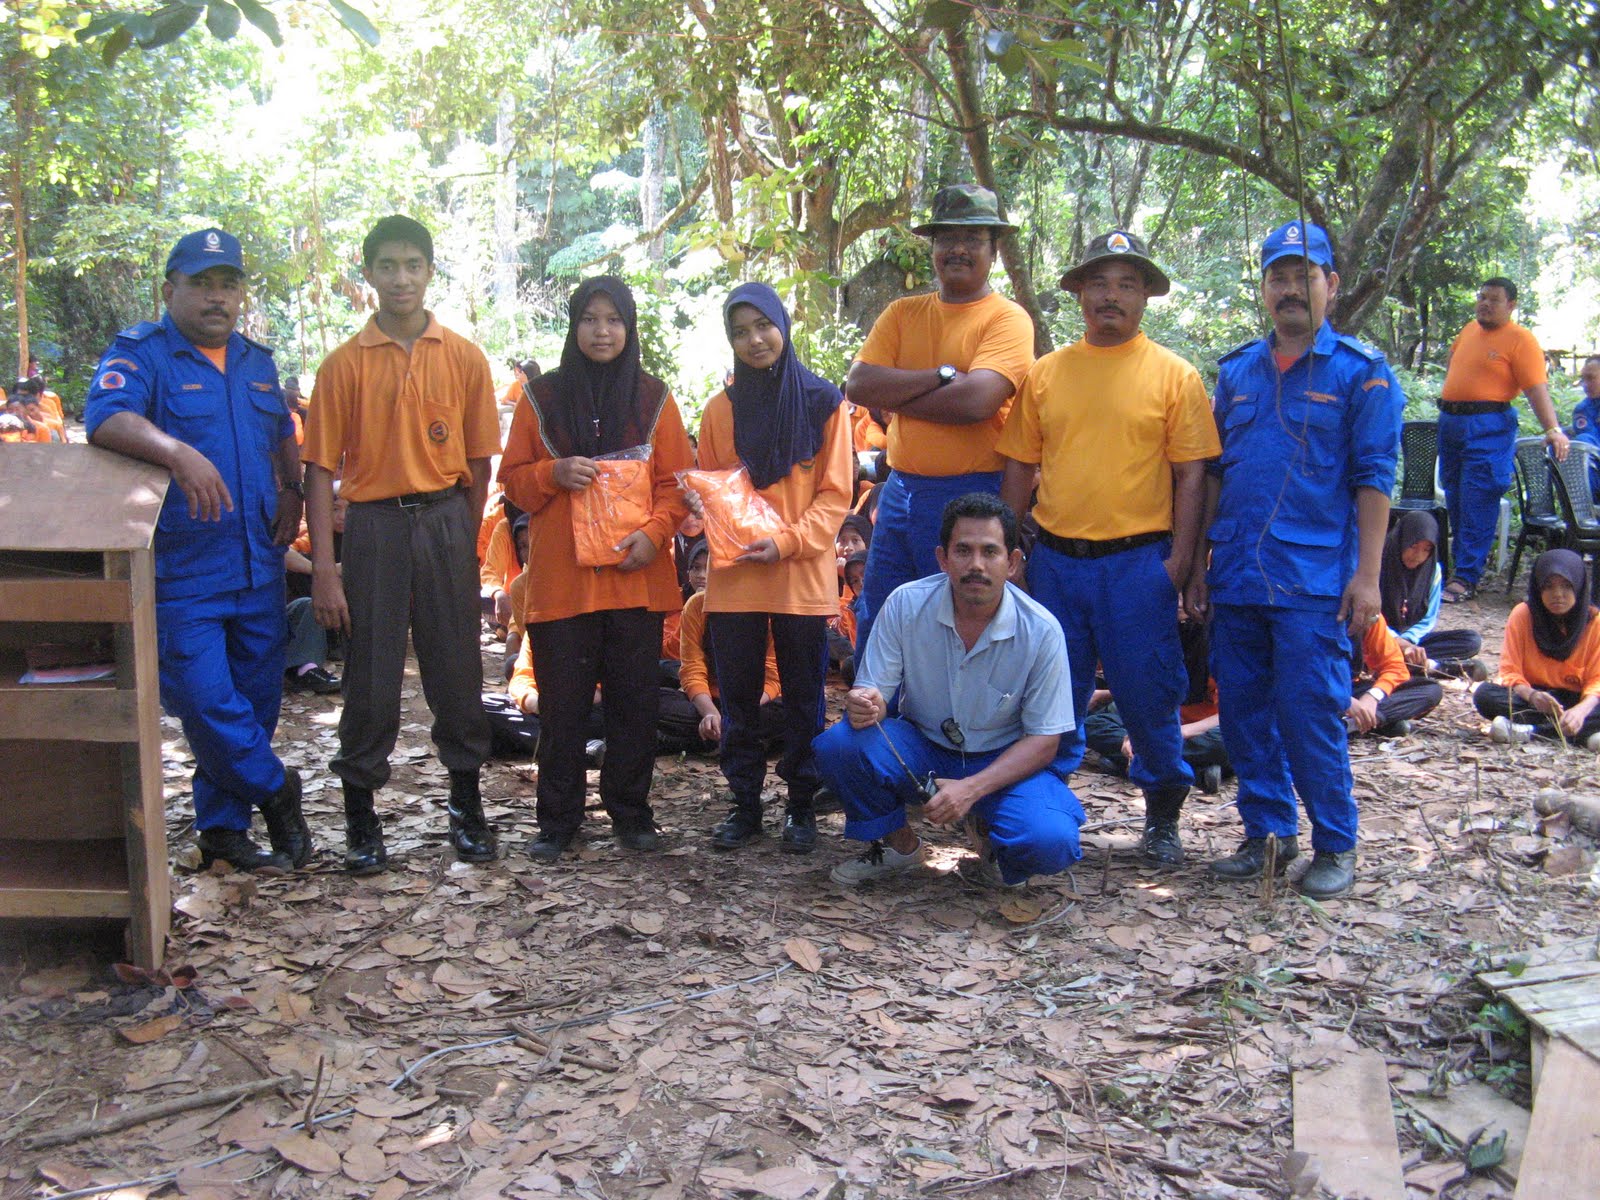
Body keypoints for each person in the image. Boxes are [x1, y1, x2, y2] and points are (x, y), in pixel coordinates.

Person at [84, 227, 309, 874]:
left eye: (228, 284)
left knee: (255, 702)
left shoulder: (256, 361)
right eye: (202, 284)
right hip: (186, 567)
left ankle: (223, 832)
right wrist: (179, 452)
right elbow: (107, 417)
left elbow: (279, 438)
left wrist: (292, 486)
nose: (217, 297)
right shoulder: (146, 353)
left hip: (258, 560)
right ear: (169, 289)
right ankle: (276, 789)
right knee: (206, 700)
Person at [1194, 220, 1404, 899]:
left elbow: (1374, 480)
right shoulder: (1237, 373)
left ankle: (1335, 843)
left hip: (1315, 582)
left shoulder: (1362, 376)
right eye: (1277, 277)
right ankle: (1268, 834)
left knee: (1310, 712)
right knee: (1247, 712)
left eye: (1303, 276)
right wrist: (1199, 560)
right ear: (1264, 288)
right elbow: (1217, 474)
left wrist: (1369, 577)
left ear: (1331, 286)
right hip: (1239, 576)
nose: (1289, 289)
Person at [998, 230, 1218, 866]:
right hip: (1057, 562)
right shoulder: (1047, 373)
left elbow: (1192, 475)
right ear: (1078, 294)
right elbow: (1018, 466)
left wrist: (1182, 561)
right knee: (1050, 693)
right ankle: (1044, 810)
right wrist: (1008, 548)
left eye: (1127, 284)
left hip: (1137, 563)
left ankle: (1163, 813)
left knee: (1148, 692)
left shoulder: (1175, 375)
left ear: (1146, 295)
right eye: (1099, 283)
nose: (1111, 296)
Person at [303, 215, 502, 874]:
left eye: (412, 265)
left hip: (445, 519)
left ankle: (464, 804)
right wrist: (325, 572)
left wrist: (464, 538)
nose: (400, 278)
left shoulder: (465, 356)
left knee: (458, 670)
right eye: (387, 266)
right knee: (371, 672)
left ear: (430, 271)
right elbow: (320, 471)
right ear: (369, 275)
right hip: (374, 525)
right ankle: (361, 813)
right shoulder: (342, 365)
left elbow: (479, 461)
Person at [498, 276, 693, 860]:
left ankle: (632, 815)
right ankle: (558, 822)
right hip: (563, 584)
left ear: (629, 328)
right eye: (589, 318)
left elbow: (676, 485)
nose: (601, 331)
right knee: (563, 705)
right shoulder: (542, 399)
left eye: (613, 320)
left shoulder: (654, 398)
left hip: (635, 578)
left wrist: (653, 535)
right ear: (573, 326)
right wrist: (551, 475)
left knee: (635, 705)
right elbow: (512, 482)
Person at [813, 493, 1083, 889]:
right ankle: (901, 847)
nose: (976, 565)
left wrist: (971, 789)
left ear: (1012, 563)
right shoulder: (906, 604)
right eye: (963, 551)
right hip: (923, 747)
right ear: (942, 558)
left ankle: (992, 840)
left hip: (1002, 760)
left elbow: (1045, 741)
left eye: (990, 552)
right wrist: (865, 703)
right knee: (838, 746)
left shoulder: (1041, 631)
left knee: (1050, 841)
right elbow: (875, 692)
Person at [693, 282, 853, 852]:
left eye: (763, 326)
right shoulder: (721, 409)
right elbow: (715, 488)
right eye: (740, 331)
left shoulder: (823, 402)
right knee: (737, 696)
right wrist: (703, 509)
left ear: (783, 326)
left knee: (804, 696)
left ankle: (802, 805)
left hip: (800, 580)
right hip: (735, 579)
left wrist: (786, 543)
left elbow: (836, 496)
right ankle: (743, 803)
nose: (754, 340)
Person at [844, 184, 1035, 654]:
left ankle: (948, 725)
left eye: (973, 238)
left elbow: (977, 403)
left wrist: (902, 391)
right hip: (900, 492)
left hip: (973, 493)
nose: (958, 249)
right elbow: (859, 386)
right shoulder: (903, 313)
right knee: (881, 611)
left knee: (955, 621)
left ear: (993, 249)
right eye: (946, 237)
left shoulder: (1007, 320)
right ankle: (878, 716)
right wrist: (942, 377)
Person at [1437, 277, 1569, 602]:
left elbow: (1537, 388)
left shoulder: (1520, 340)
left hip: (1489, 425)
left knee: (1478, 498)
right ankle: (1453, 569)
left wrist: (1552, 428)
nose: (1485, 304)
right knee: (1454, 496)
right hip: (1451, 422)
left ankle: (1466, 578)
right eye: (1482, 297)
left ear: (1511, 305)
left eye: (1494, 299)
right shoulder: (1469, 329)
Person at [1084, 619, 1229, 795]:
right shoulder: (1159, 643)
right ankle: (1197, 772)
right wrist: (1138, 729)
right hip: (1161, 723)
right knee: (1093, 725)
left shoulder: (1219, 656)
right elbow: (1146, 690)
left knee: (1226, 742)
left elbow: (1231, 714)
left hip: (1201, 732)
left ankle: (1133, 762)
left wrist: (1181, 732)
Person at [1473, 549, 1600, 748]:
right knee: (1485, 695)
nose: (1558, 595)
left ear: (1580, 586)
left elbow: (1597, 682)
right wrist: (1532, 696)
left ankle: (1533, 732)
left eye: (1566, 586)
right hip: (1535, 697)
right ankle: (1581, 734)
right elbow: (1510, 672)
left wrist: (1581, 711)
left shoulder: (1594, 622)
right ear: (1538, 588)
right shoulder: (1523, 615)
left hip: (1580, 698)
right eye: (1548, 587)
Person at [1379, 511, 1486, 679]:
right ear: (1401, 540)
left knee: (1471, 641)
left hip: (1411, 639)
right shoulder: (1378, 564)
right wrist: (1396, 641)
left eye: (1426, 550)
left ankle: (1409, 663)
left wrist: (1409, 641)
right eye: (1413, 547)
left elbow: (1428, 619)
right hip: (1377, 637)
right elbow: (1369, 615)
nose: (1418, 556)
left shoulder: (1432, 571)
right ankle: (1435, 667)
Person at [1346, 615, 1442, 737]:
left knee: (1429, 689)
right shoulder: (1316, 612)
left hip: (1349, 689)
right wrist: (1343, 699)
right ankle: (1361, 725)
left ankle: (1353, 724)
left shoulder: (1368, 613)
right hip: (1320, 693)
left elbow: (1394, 666)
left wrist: (1373, 696)